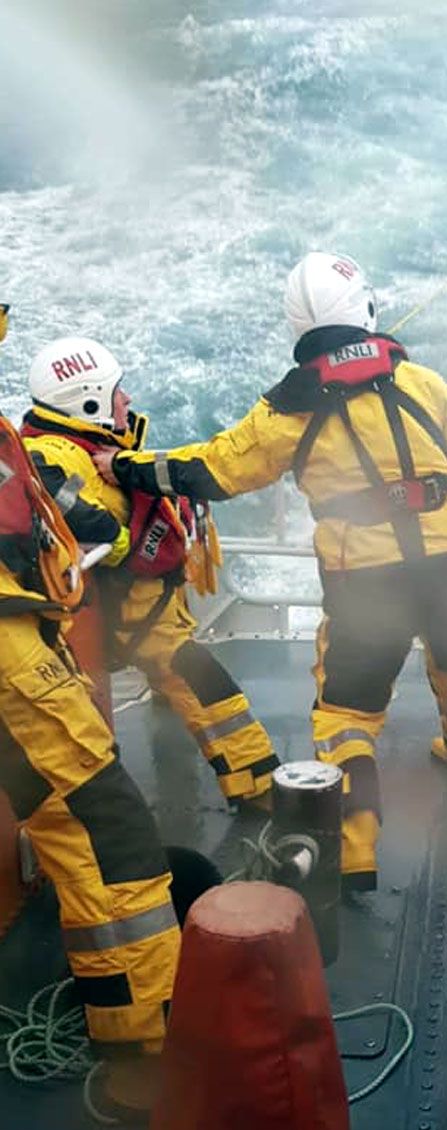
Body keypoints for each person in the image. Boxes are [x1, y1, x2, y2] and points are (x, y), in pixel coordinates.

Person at [96, 251, 447, 892]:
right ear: (367, 310)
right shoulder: (423, 385)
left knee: (347, 712)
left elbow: (211, 471)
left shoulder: (289, 410)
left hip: (368, 578)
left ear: (297, 327)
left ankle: (355, 850)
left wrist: (126, 468)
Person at [0, 302, 179, 1074]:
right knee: (110, 827)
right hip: (10, 645)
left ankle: (121, 1018)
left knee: (68, 829)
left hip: (25, 626)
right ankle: (151, 1034)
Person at [23, 337, 280, 812]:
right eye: (117, 392)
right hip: (132, 615)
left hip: (148, 606)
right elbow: (54, 497)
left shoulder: (90, 444)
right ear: (89, 401)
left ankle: (243, 775)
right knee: (206, 686)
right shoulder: (52, 454)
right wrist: (118, 540)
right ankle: (260, 785)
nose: (128, 400)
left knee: (186, 683)